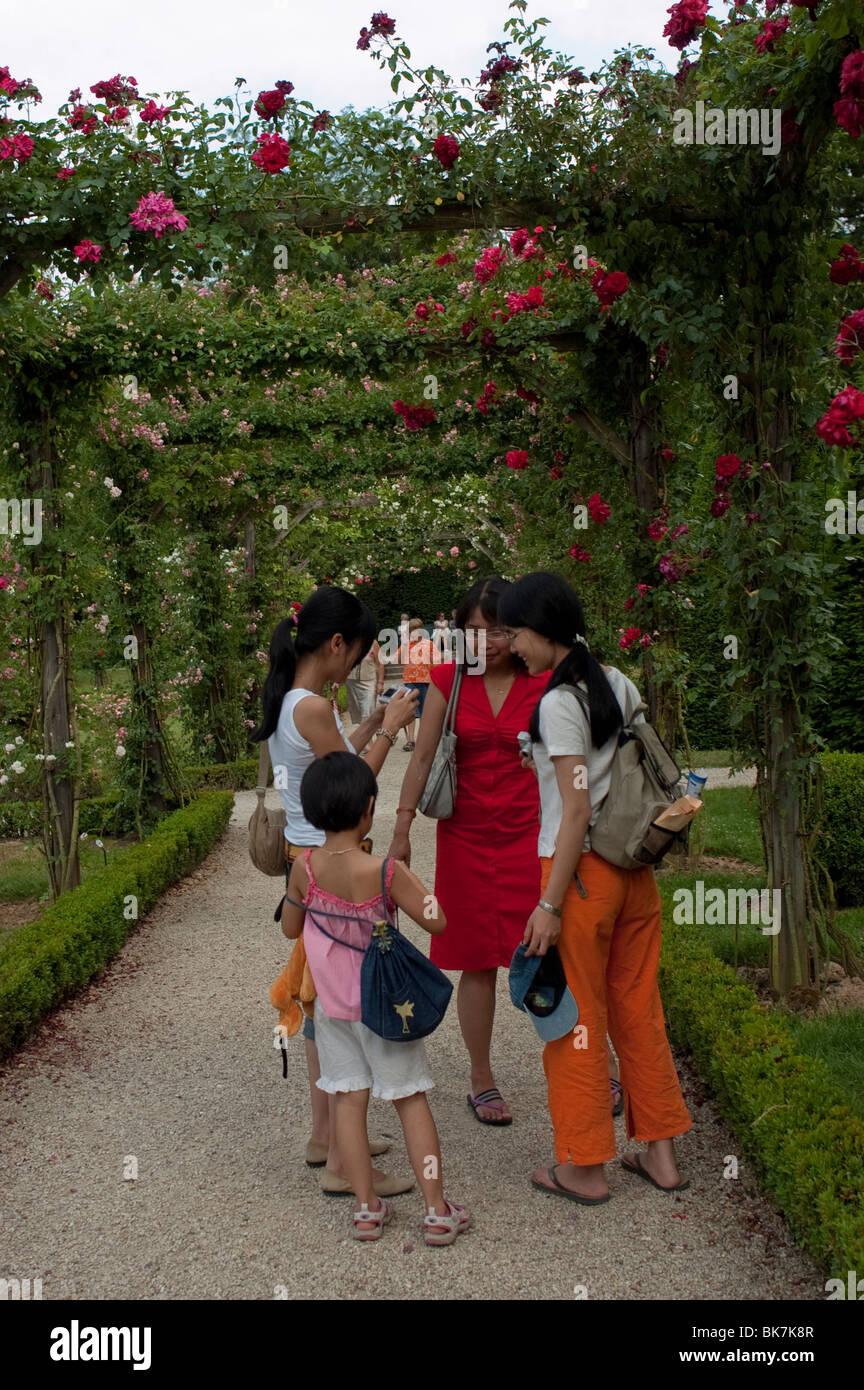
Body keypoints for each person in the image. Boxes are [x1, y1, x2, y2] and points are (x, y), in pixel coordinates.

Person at [497, 571, 692, 1203]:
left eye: (516, 631)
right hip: (635, 873)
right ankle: (661, 1157)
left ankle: (584, 1167)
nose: (511, 644)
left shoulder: (558, 702)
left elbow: (576, 811)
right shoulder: (618, 682)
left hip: (580, 879)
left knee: (573, 1021)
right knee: (639, 1011)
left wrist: (549, 904)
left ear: (546, 629)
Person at [253, 586, 419, 1197]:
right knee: (341, 1003)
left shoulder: (293, 698)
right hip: (332, 860)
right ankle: (346, 1165)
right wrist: (393, 729)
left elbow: (329, 761)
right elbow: (347, 790)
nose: (355, 665)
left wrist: (374, 718)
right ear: (337, 643)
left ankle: (328, 1135)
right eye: (357, 653)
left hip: (306, 861)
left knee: (322, 997)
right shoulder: (313, 709)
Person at [280, 752, 471, 1245]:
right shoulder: (384, 871)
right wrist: (412, 882)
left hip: (333, 1008)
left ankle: (366, 1209)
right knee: (410, 1099)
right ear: (368, 808)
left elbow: (289, 927)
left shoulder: (304, 868)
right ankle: (436, 1210)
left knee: (347, 1098)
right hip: (386, 1006)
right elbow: (437, 919)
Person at [389, 577, 549, 1125]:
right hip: (466, 835)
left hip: (533, 833)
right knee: (476, 960)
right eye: (475, 631)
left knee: (552, 952)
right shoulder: (447, 679)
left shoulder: (545, 679)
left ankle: (586, 1065)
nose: (489, 641)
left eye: (501, 629)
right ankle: (481, 1078)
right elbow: (422, 756)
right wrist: (402, 826)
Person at [401, 618, 441, 752]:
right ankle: (411, 740)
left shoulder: (428, 644)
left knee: (425, 712)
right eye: (411, 631)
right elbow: (399, 660)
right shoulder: (407, 645)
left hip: (425, 681)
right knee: (411, 711)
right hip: (410, 681)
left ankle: (424, 739)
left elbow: (436, 662)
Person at [346, 638, 385, 726]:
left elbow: (380, 664)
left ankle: (368, 737)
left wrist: (380, 683)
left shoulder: (373, 643)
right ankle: (367, 738)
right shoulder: (348, 641)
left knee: (367, 714)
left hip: (369, 682)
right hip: (351, 682)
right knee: (359, 714)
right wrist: (337, 681)